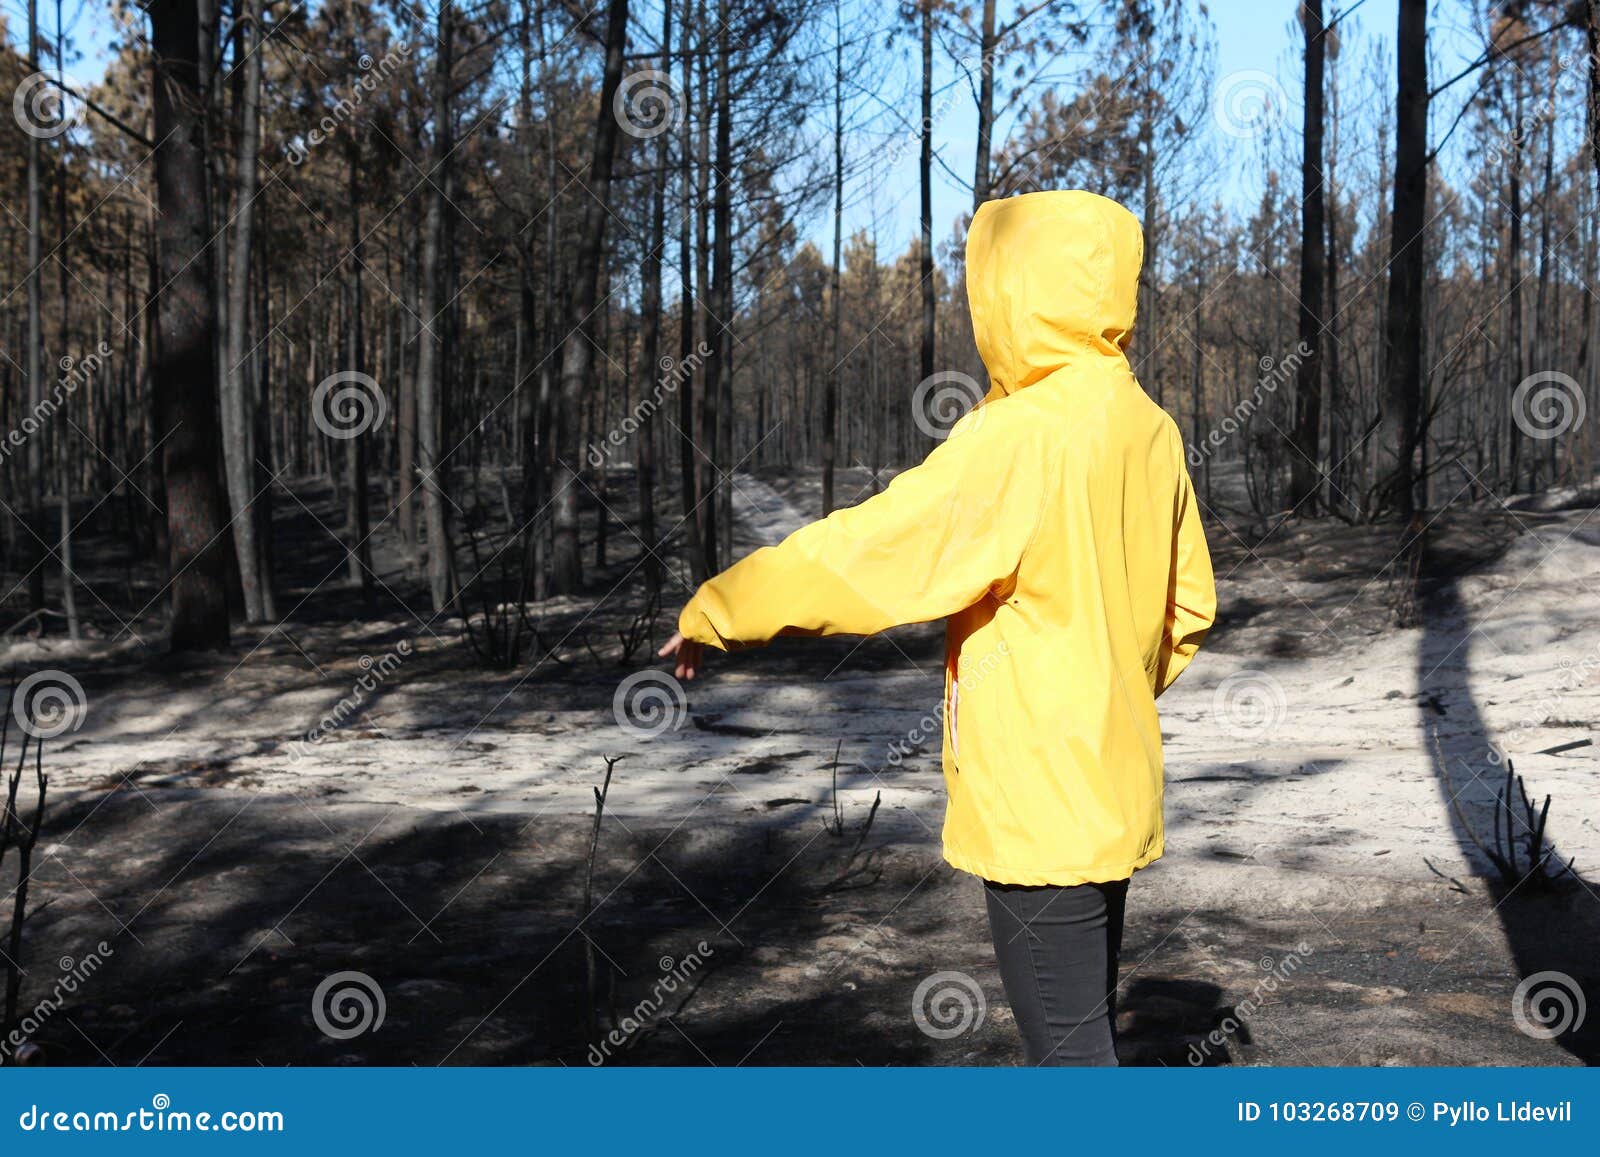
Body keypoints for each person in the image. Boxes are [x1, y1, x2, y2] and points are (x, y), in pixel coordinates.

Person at [658, 189, 1216, 1066]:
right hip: (1108, 777)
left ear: (1007, 295)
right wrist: (1103, 692)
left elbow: (873, 551)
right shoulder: (1149, 427)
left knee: (1072, 1059)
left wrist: (722, 606)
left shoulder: (1017, 439)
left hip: (1042, 799)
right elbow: (1187, 609)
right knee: (1084, 1035)